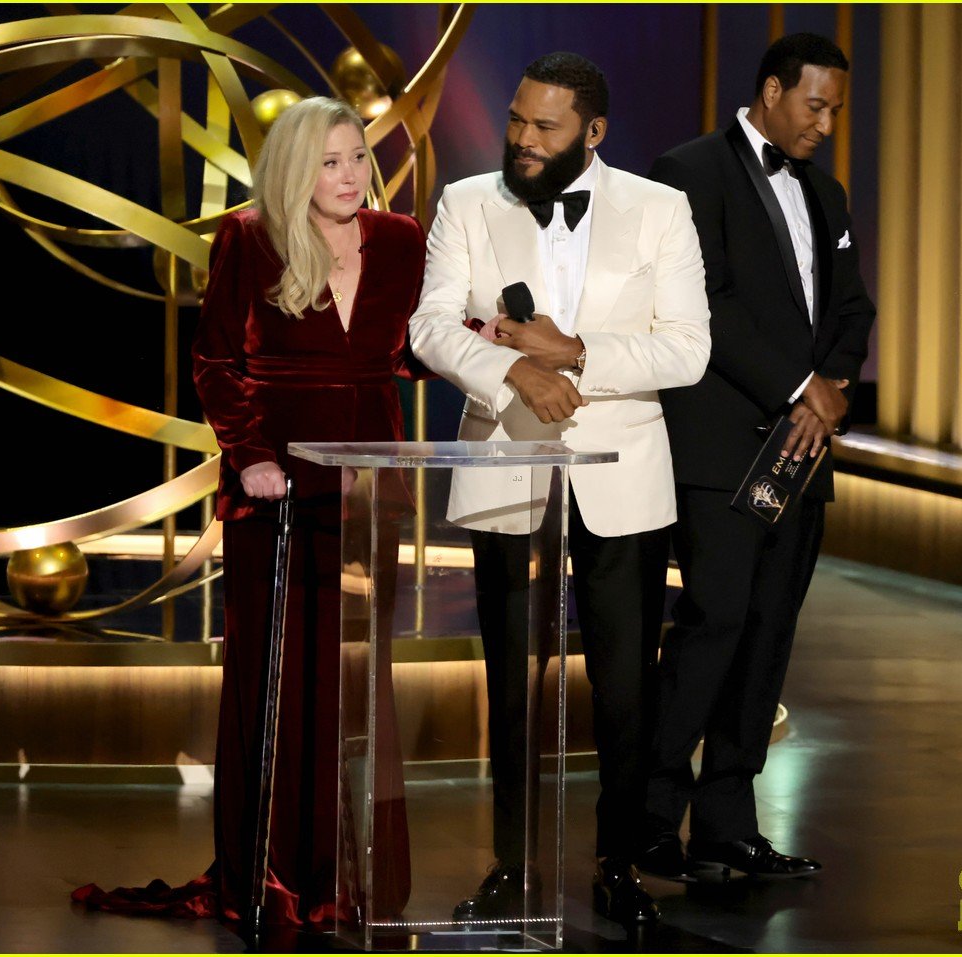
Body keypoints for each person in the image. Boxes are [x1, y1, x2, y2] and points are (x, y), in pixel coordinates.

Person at [72, 96, 428, 932]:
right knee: (279, 682)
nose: (349, 177)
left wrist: (501, 346)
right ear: (294, 170)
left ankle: (350, 876)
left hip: (373, 489)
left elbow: (419, 344)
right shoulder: (246, 237)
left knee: (353, 685)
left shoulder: (402, 240)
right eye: (330, 161)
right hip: (275, 491)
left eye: (357, 159)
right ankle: (269, 874)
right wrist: (255, 454)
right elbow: (216, 362)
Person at [408, 53, 709, 927]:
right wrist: (514, 375)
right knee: (508, 679)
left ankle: (619, 863)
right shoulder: (468, 202)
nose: (524, 141)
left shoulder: (660, 210)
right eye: (516, 121)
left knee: (624, 685)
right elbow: (429, 326)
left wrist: (573, 356)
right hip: (506, 462)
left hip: (621, 473)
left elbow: (687, 348)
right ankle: (511, 864)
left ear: (594, 132)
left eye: (545, 128)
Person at [638, 33, 876, 883]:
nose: (825, 124)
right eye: (814, 106)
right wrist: (799, 386)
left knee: (770, 635)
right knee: (712, 627)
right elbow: (707, 302)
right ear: (771, 91)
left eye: (836, 111)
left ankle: (728, 822)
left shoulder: (828, 191)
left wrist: (833, 383)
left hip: (802, 453)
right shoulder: (688, 171)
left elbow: (852, 307)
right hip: (722, 448)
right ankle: (651, 819)